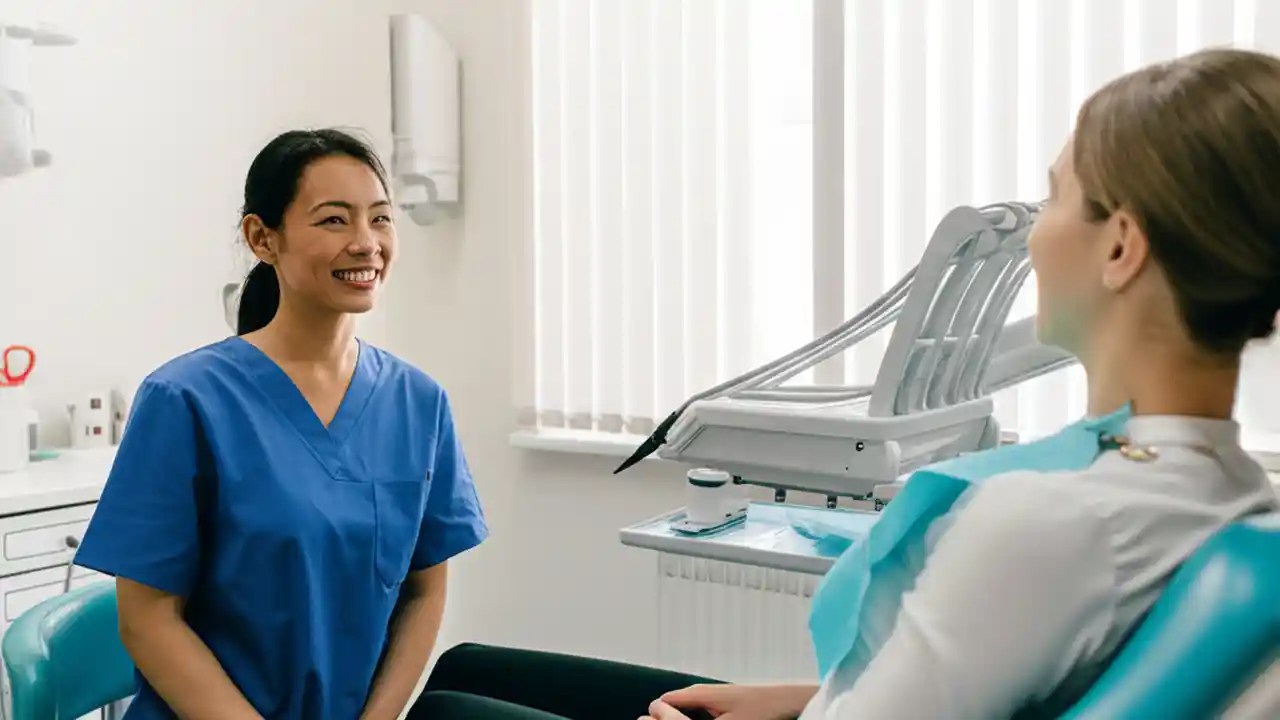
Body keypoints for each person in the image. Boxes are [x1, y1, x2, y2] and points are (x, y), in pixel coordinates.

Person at [407, 48, 1280, 720]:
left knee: (449, 707)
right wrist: (801, 699)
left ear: (1121, 246)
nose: (1037, 238)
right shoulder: (1234, 495)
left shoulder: (1054, 521)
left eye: (1055, 201)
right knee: (471, 668)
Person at [75, 128, 488, 719]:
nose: (366, 243)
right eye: (333, 221)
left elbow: (424, 589)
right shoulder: (185, 400)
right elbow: (147, 619)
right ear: (261, 238)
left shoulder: (418, 402)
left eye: (380, 219)